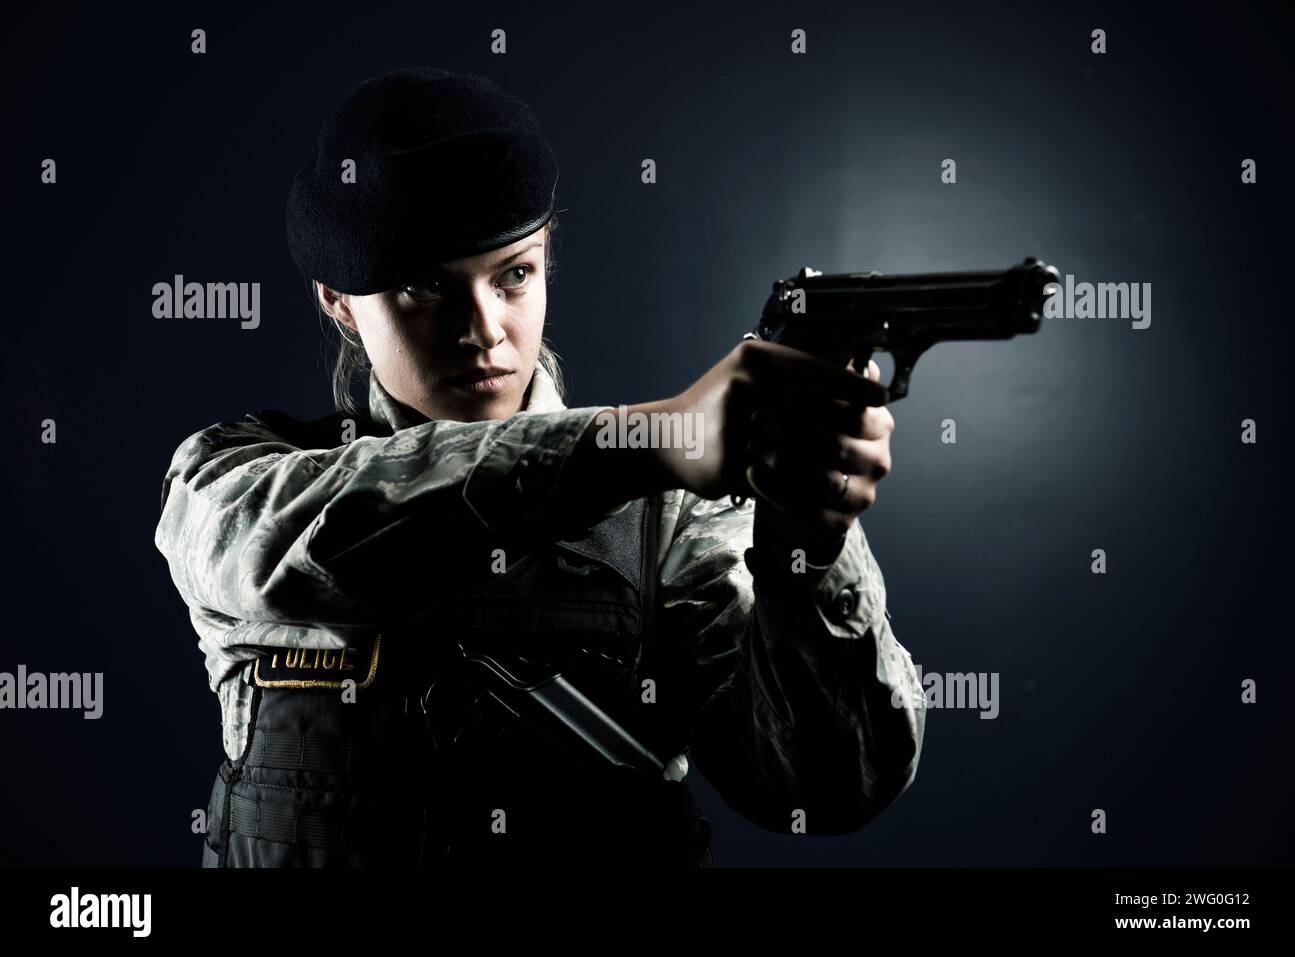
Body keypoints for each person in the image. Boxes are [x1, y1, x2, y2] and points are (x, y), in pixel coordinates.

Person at [154, 66, 926, 868]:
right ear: (339, 301)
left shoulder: (673, 519)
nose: (484, 330)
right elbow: (310, 541)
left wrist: (810, 547)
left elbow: (823, 790)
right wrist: (646, 441)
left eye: (514, 273)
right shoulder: (239, 480)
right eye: (425, 287)